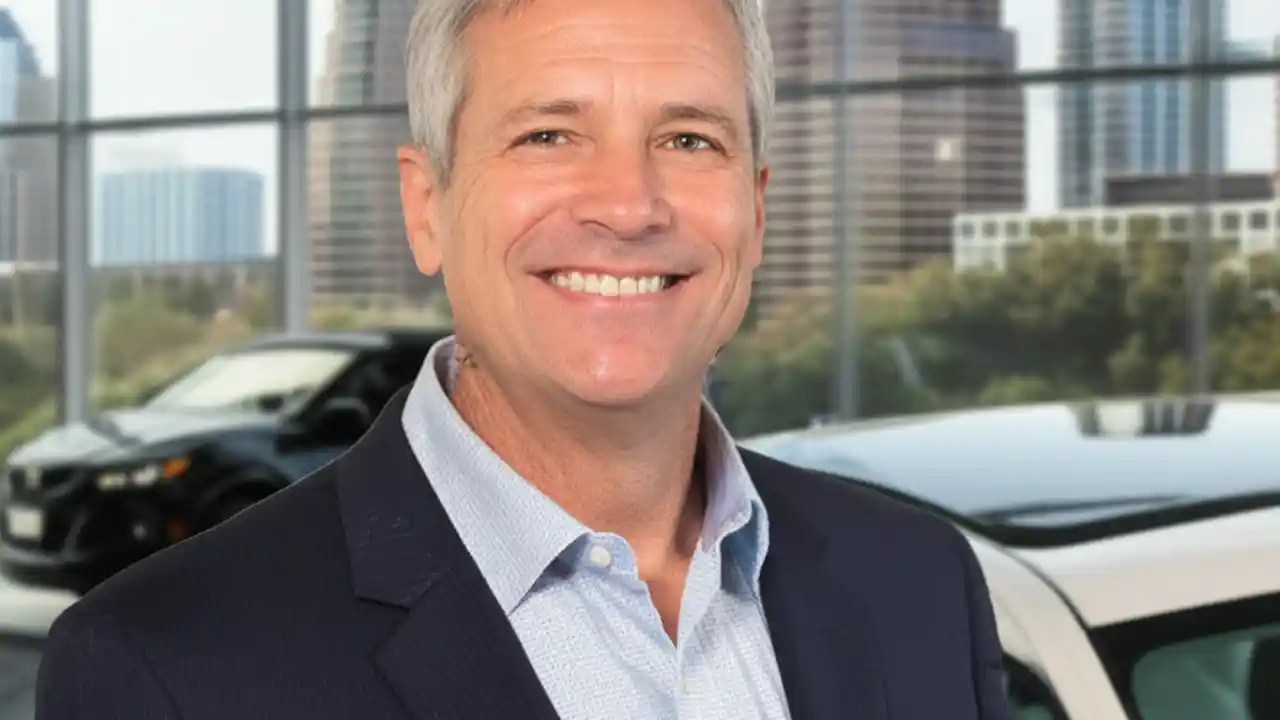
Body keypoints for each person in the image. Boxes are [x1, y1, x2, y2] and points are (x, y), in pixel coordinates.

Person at [37, 0, 1012, 718]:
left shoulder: (919, 583)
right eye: (548, 134)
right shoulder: (164, 669)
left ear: (755, 212)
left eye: (685, 137)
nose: (628, 205)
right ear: (427, 208)